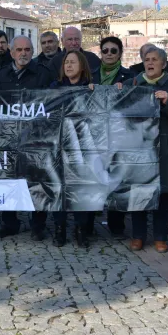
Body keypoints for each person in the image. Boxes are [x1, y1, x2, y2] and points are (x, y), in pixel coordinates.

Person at [127, 46, 168, 253]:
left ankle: (160, 237)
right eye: (147, 59)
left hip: (164, 147)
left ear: (164, 64)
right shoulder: (132, 84)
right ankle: (138, 235)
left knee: (162, 193)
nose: (150, 63)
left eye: (155, 59)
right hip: (138, 147)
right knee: (138, 191)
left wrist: (167, 102)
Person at [0, 36, 51, 239]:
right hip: (9, 136)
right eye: (19, 50)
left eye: (27, 49)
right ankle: (10, 223)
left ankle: (38, 225)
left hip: (36, 136)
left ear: (32, 51)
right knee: (9, 179)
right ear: (11, 52)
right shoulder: (2, 74)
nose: (23, 53)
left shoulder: (43, 73)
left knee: (37, 181)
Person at [50, 49, 95, 247]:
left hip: (83, 145)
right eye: (66, 62)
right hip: (59, 144)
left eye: (73, 62)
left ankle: (80, 229)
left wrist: (95, 92)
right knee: (59, 186)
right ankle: (59, 229)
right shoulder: (54, 88)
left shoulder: (91, 88)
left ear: (82, 66)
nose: (68, 65)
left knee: (80, 187)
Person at [96, 36, 135, 237]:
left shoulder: (130, 76)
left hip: (119, 133)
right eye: (105, 50)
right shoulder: (91, 75)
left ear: (120, 53)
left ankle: (116, 223)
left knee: (118, 178)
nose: (109, 54)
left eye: (113, 50)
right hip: (95, 133)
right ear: (100, 53)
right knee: (94, 176)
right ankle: (89, 223)